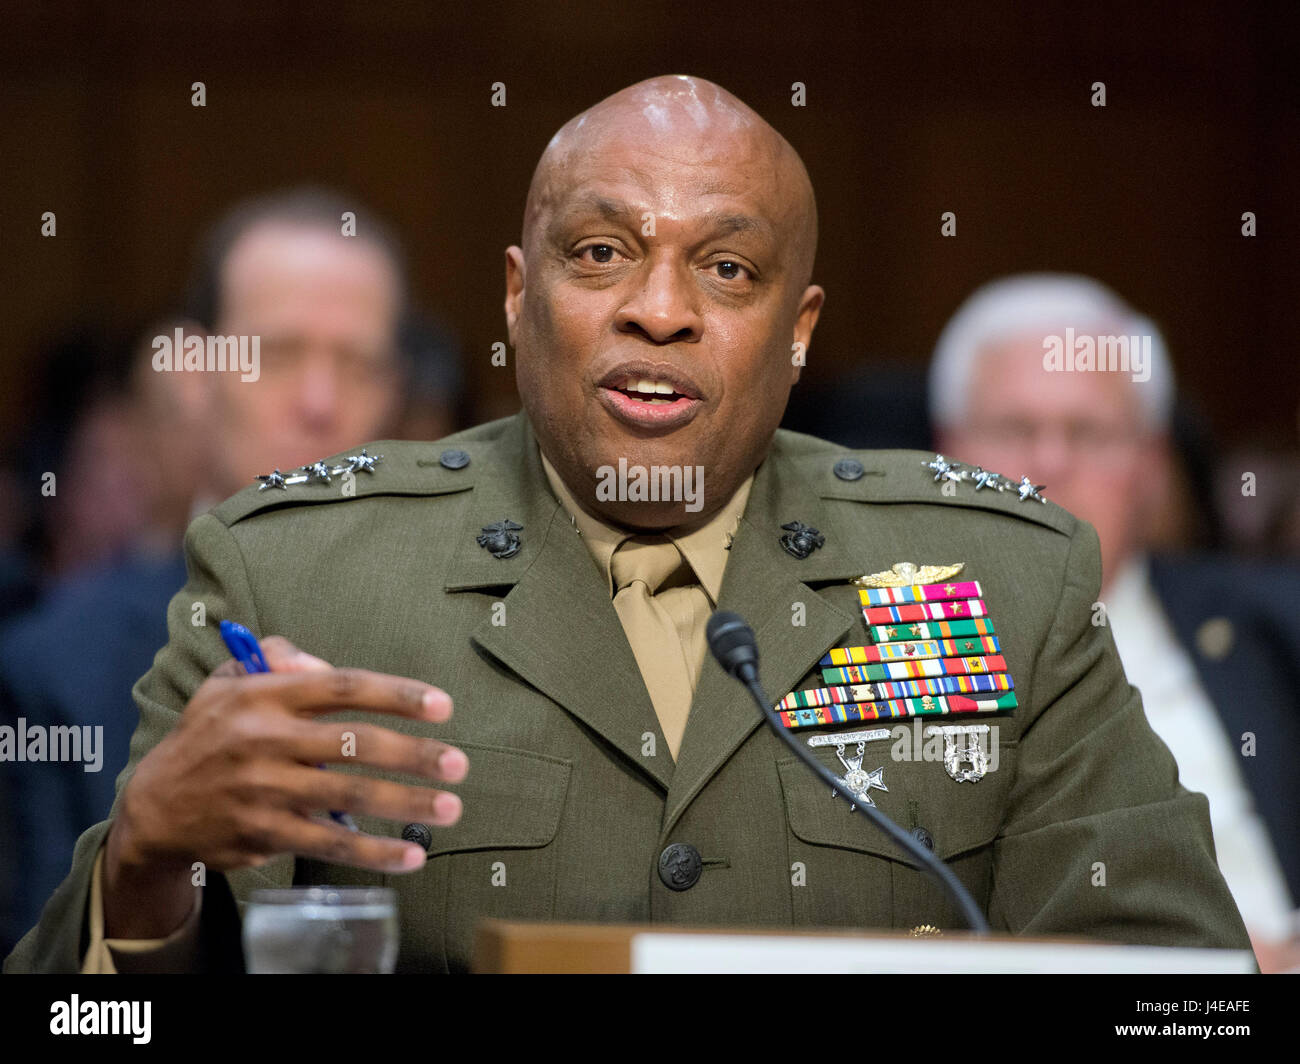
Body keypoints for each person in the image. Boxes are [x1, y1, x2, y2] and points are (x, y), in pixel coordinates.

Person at [7, 78, 1251, 974]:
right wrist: (142, 868)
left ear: (801, 327)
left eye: (726, 269)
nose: (658, 309)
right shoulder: (297, 574)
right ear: (516, 293)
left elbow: (1176, 988)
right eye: (600, 252)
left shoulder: (994, 580)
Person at [0, 189, 461, 955]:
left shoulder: (465, 630)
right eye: (275, 356)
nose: (319, 404)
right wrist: (143, 854)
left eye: (358, 365)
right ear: (189, 373)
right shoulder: (55, 668)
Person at [929, 273, 1300, 970]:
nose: (1048, 463)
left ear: (1151, 466)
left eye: (1090, 433)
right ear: (945, 453)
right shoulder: (879, 641)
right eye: (1013, 429)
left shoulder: (1273, 627)